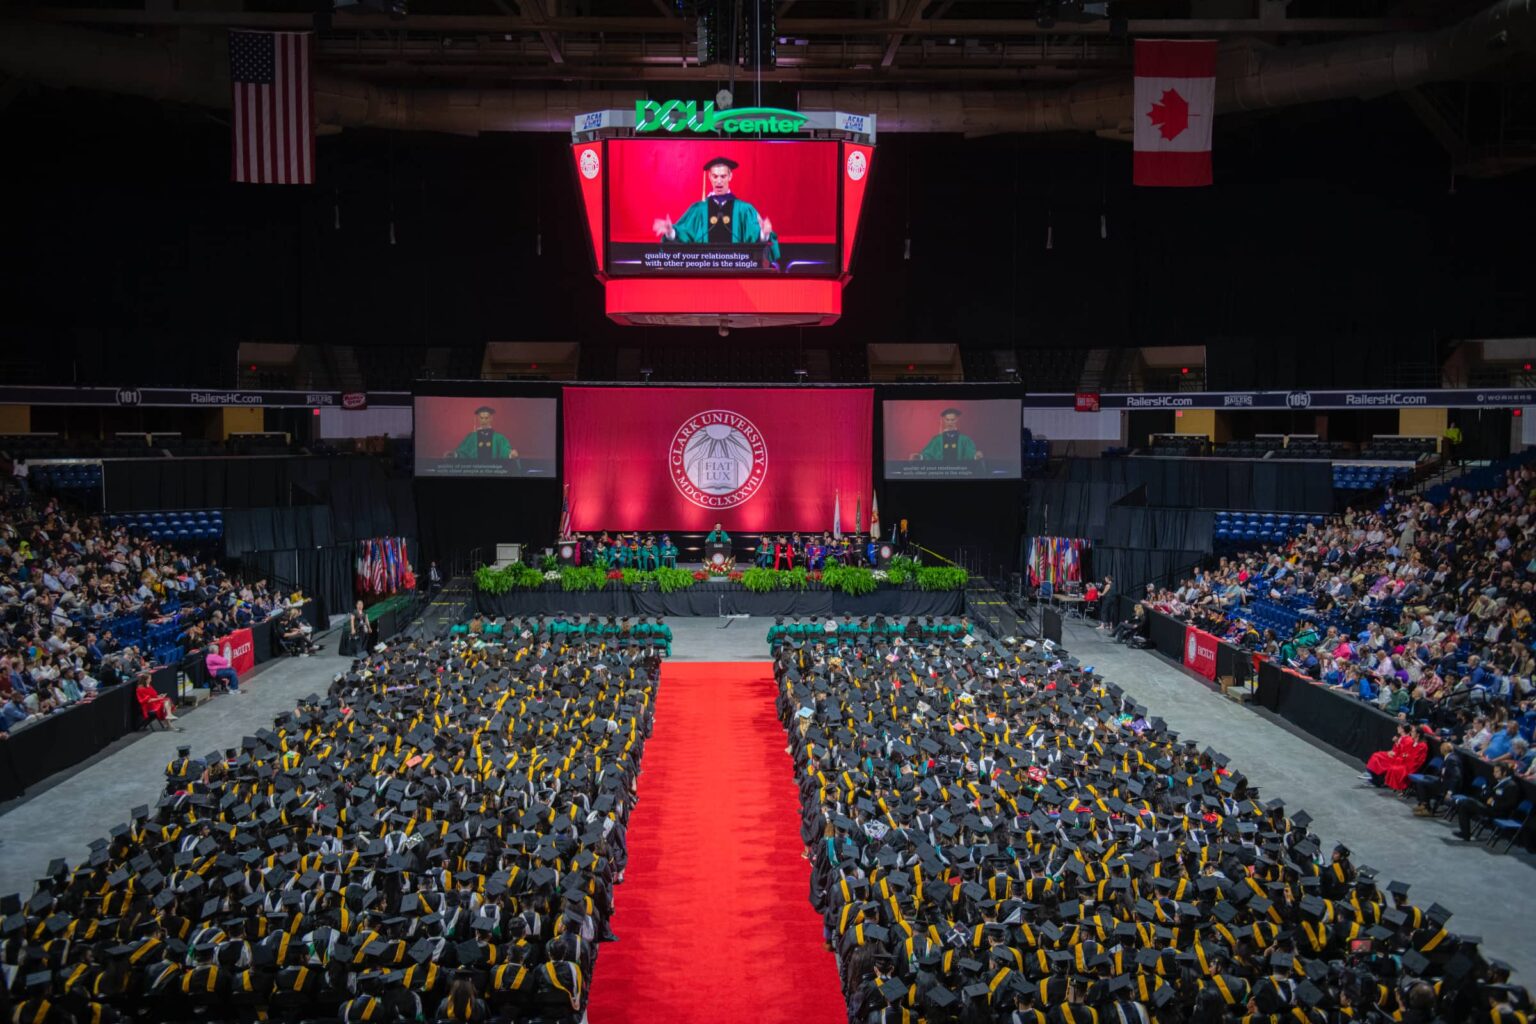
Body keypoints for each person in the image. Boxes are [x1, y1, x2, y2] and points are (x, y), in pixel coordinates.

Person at [651, 155, 779, 262]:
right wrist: (670, 232)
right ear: (709, 177)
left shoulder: (744, 210)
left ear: (730, 177)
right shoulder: (698, 210)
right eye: (715, 176)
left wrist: (764, 234)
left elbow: (757, 241)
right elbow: (683, 235)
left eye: (723, 176)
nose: (719, 181)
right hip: (704, 270)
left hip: (736, 270)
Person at [1453, 760, 1521, 839]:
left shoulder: (1511, 786)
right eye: (1494, 771)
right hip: (1489, 808)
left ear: (1504, 772)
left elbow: (1510, 804)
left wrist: (1493, 803)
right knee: (1465, 805)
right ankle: (1465, 833)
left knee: (1468, 802)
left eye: (1497, 771)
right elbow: (1489, 793)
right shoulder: (1498, 782)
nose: (1494, 773)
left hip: (1498, 812)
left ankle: (1459, 804)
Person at [1363, 722, 1429, 790]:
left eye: (1413, 732)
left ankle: (1376, 780)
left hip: (1409, 765)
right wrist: (1397, 748)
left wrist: (1401, 754)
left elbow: (1414, 758)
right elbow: (1406, 752)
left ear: (1418, 734)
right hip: (1402, 759)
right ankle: (1373, 777)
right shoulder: (1414, 741)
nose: (1411, 733)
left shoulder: (1420, 745)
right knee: (1376, 756)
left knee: (1387, 763)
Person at [447, 405, 520, 462]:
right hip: (475, 470)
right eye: (481, 418)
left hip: (494, 470)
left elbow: (504, 450)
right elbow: (463, 451)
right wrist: (454, 454)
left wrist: (511, 454)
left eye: (486, 418)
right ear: (478, 418)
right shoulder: (471, 437)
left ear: (491, 418)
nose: (484, 421)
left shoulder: (499, 438)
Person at [912, 407, 983, 462]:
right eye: (947, 420)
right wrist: (919, 457)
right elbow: (928, 454)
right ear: (943, 420)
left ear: (957, 419)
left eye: (952, 420)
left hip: (959, 472)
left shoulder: (964, 440)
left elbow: (969, 454)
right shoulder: (937, 440)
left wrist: (976, 456)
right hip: (941, 472)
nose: (950, 423)